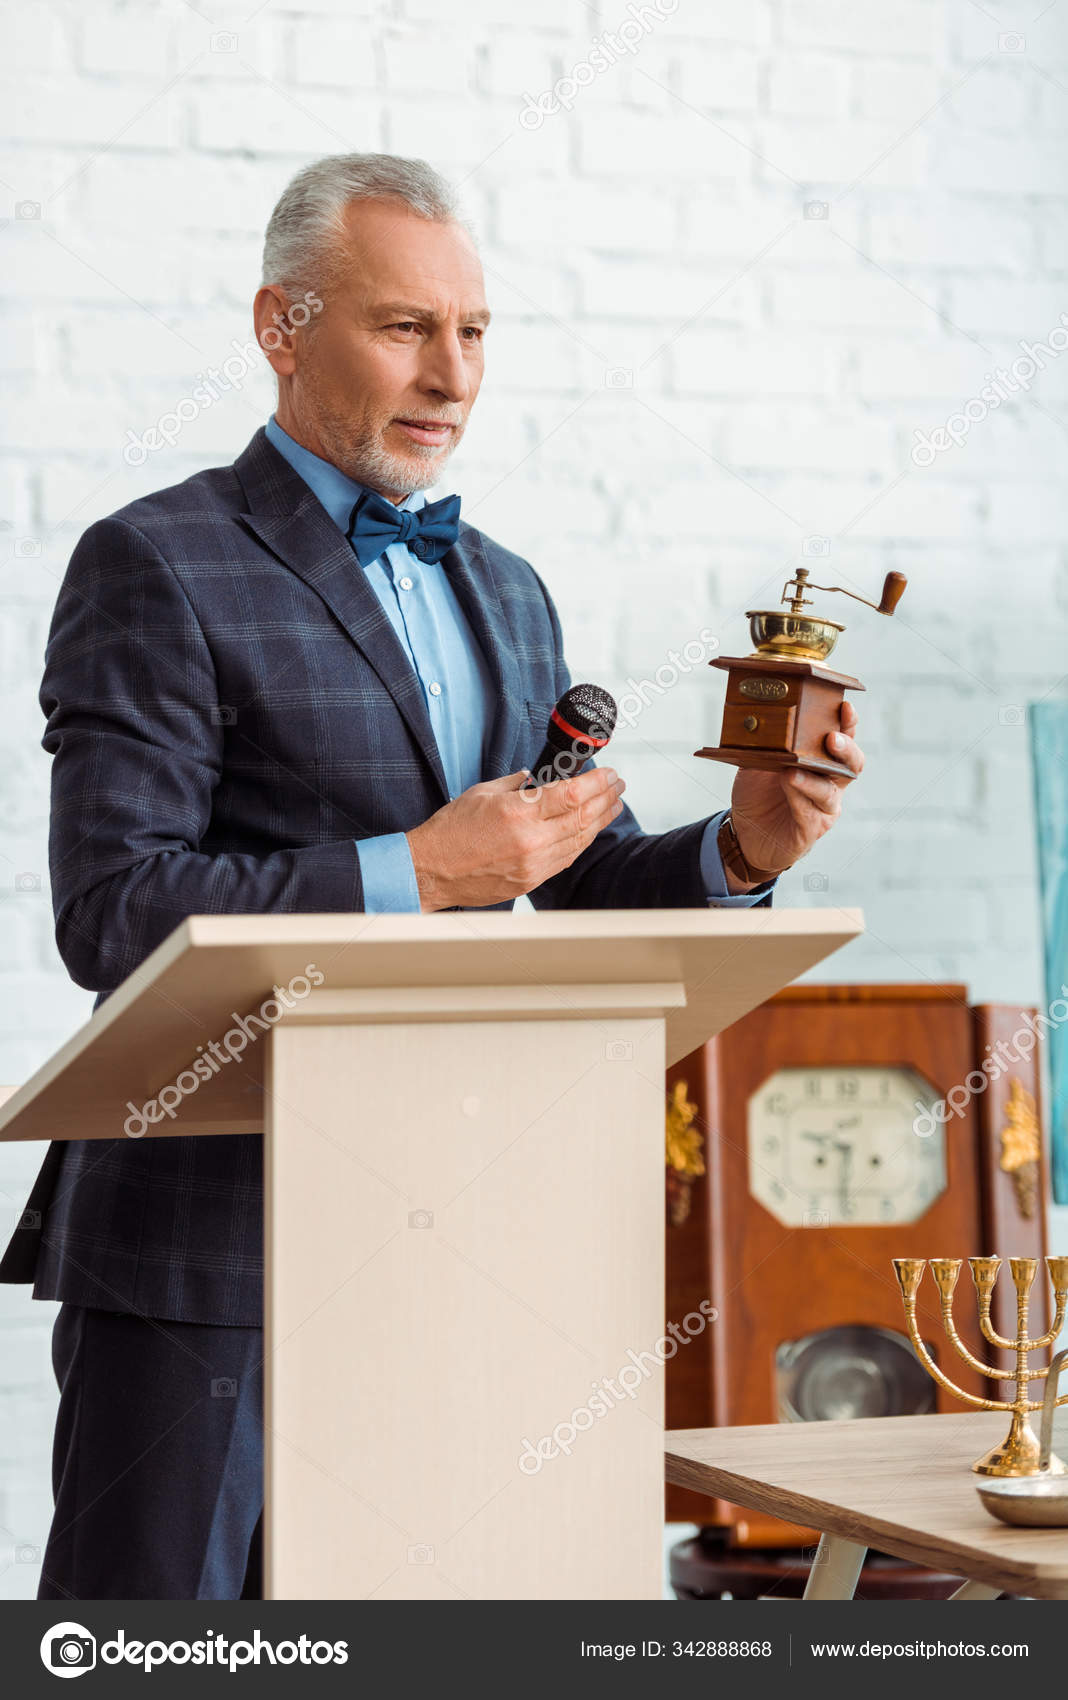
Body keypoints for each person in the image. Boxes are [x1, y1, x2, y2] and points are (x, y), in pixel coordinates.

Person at [0, 152, 863, 1600]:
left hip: (465, 1232)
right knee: (153, 1643)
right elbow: (114, 911)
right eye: (404, 327)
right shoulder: (154, 562)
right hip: (210, 1250)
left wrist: (741, 851)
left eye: (474, 333)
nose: (451, 374)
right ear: (282, 326)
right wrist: (417, 871)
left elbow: (572, 884)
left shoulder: (508, 588)